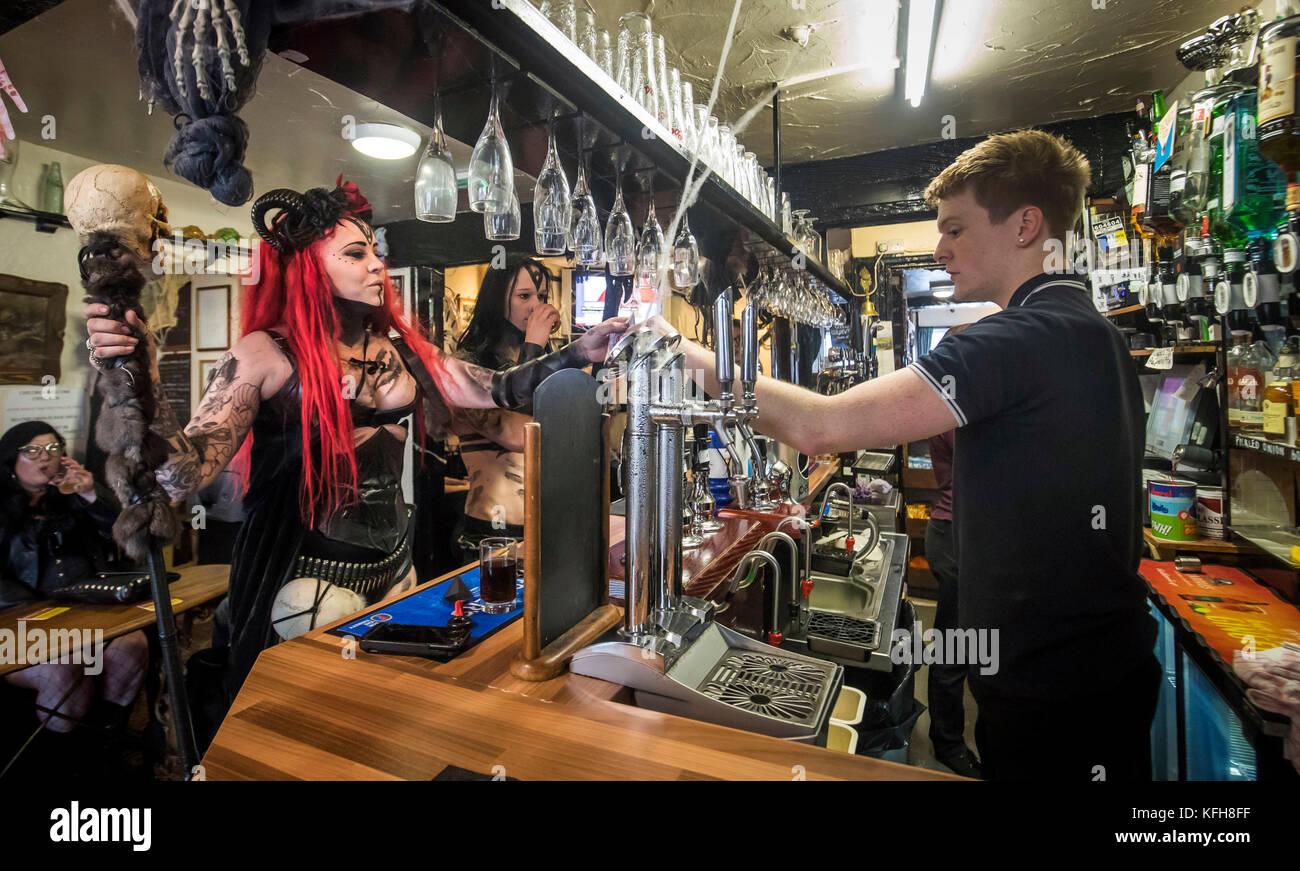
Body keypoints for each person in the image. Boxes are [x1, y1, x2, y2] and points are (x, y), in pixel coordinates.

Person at [668, 129, 1157, 781]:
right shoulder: (1093, 331)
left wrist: (679, 349)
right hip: (1098, 665)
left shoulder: (1013, 339)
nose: (940, 248)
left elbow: (820, 426)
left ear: (1025, 226)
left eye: (955, 228)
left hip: (1054, 685)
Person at [83, 178, 626, 705]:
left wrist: (581, 351)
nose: (376, 265)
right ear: (309, 267)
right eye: (355, 254)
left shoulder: (399, 350)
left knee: (389, 711)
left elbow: (497, 387)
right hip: (304, 579)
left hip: (395, 566)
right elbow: (183, 474)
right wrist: (140, 375)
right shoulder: (263, 354)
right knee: (313, 717)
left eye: (375, 252)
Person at [0, 421, 147, 770]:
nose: (45, 458)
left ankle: (106, 744)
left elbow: (127, 534)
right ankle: (64, 760)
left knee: (132, 644)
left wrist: (91, 492)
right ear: (10, 461)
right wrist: (33, 608)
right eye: (32, 451)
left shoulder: (71, 498)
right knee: (65, 665)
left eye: (53, 449)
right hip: (19, 623)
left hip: (86, 610)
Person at [449, 256, 561, 565]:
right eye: (524, 296)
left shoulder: (545, 366)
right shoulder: (469, 366)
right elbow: (518, 433)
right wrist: (533, 347)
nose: (536, 307)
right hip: (491, 537)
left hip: (546, 532)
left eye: (542, 297)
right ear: (498, 300)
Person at [921, 323, 980, 779]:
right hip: (955, 533)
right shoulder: (955, 411)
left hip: (968, 533)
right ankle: (948, 743)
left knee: (972, 641)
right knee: (955, 646)